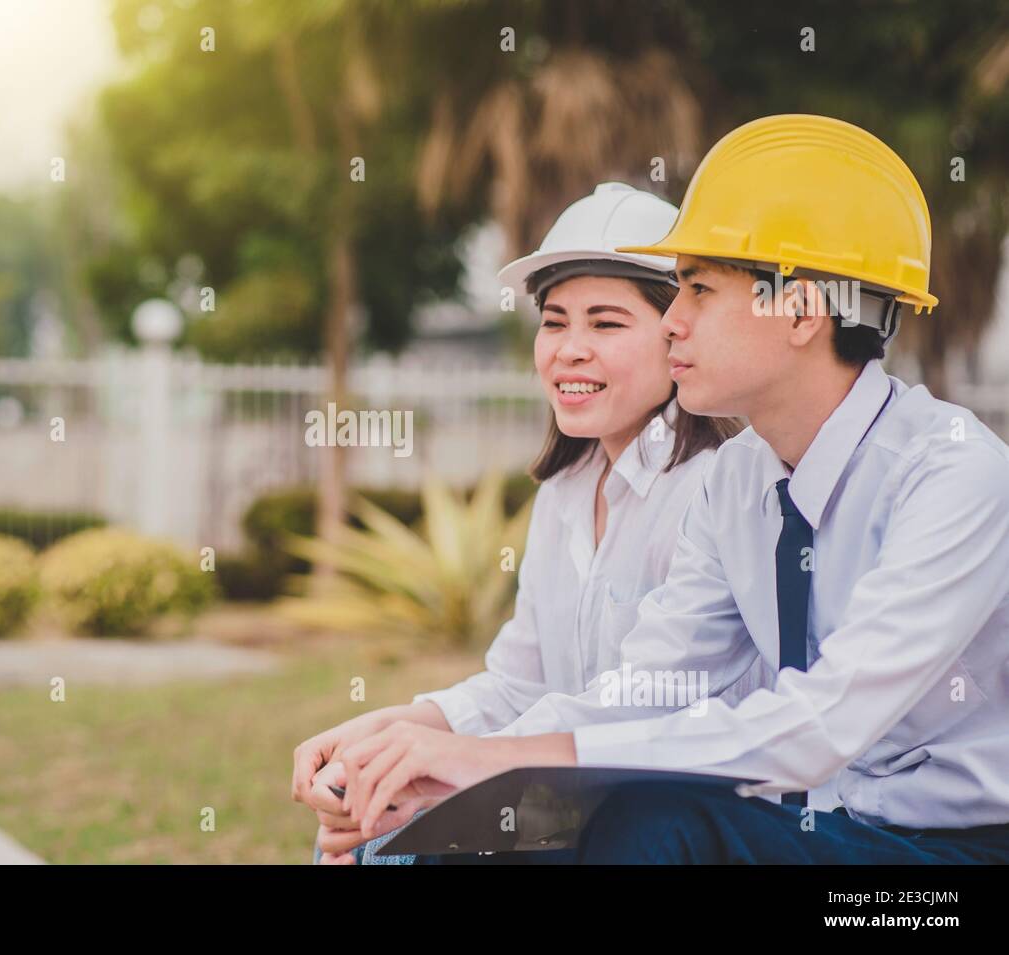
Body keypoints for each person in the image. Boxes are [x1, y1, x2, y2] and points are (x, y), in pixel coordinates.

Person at [335, 114, 1009, 864]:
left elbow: (820, 725)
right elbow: (644, 689)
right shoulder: (736, 480)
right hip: (824, 833)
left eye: (696, 290)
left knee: (652, 825)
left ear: (800, 309)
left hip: (949, 862)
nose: (674, 323)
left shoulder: (953, 474)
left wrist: (498, 762)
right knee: (467, 838)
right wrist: (451, 769)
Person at [291, 183, 753, 864]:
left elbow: (640, 704)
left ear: (677, 335)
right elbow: (518, 684)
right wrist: (384, 729)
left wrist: (450, 770)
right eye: (555, 320)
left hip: (677, 824)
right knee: (368, 843)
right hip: (577, 801)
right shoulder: (566, 491)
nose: (568, 349)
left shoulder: (716, 489)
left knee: (404, 845)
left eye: (605, 322)